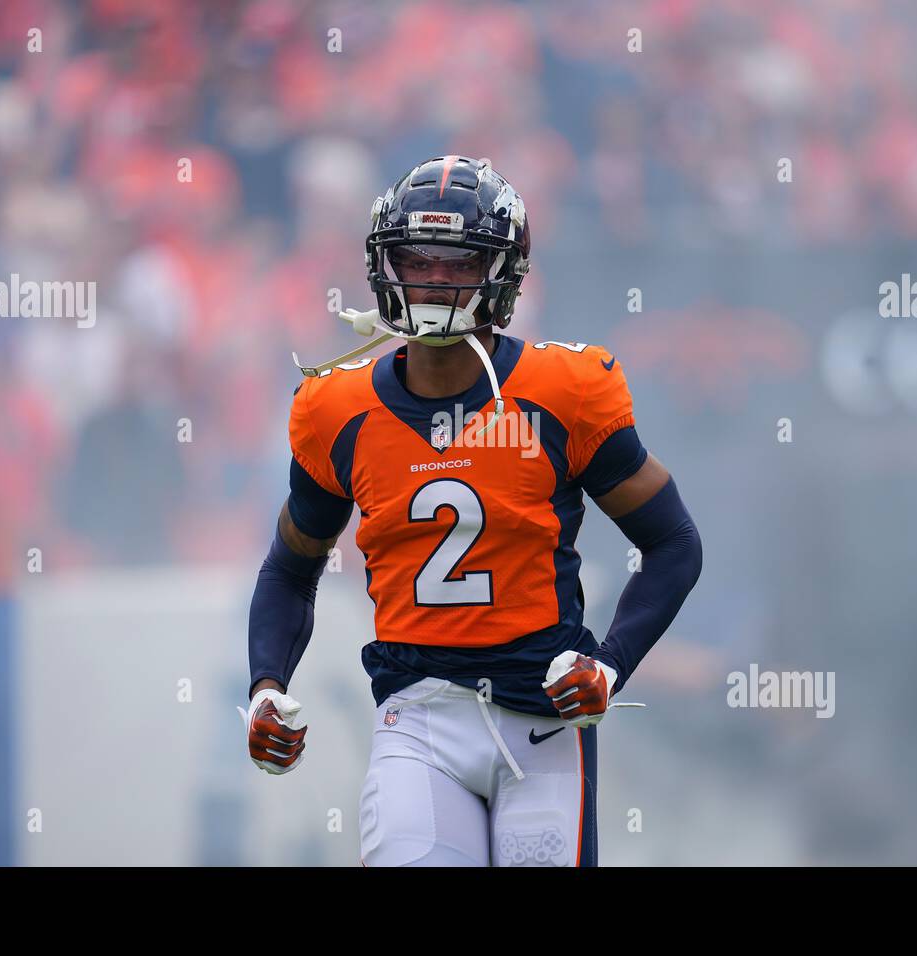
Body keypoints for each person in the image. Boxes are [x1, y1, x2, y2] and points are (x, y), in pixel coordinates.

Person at [246, 156, 702, 866]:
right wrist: (267, 686)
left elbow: (673, 541)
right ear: (381, 264)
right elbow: (289, 567)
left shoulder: (565, 391)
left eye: (457, 264)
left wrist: (609, 666)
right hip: (417, 721)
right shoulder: (335, 408)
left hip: (544, 720)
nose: (432, 280)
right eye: (414, 259)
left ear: (504, 274)